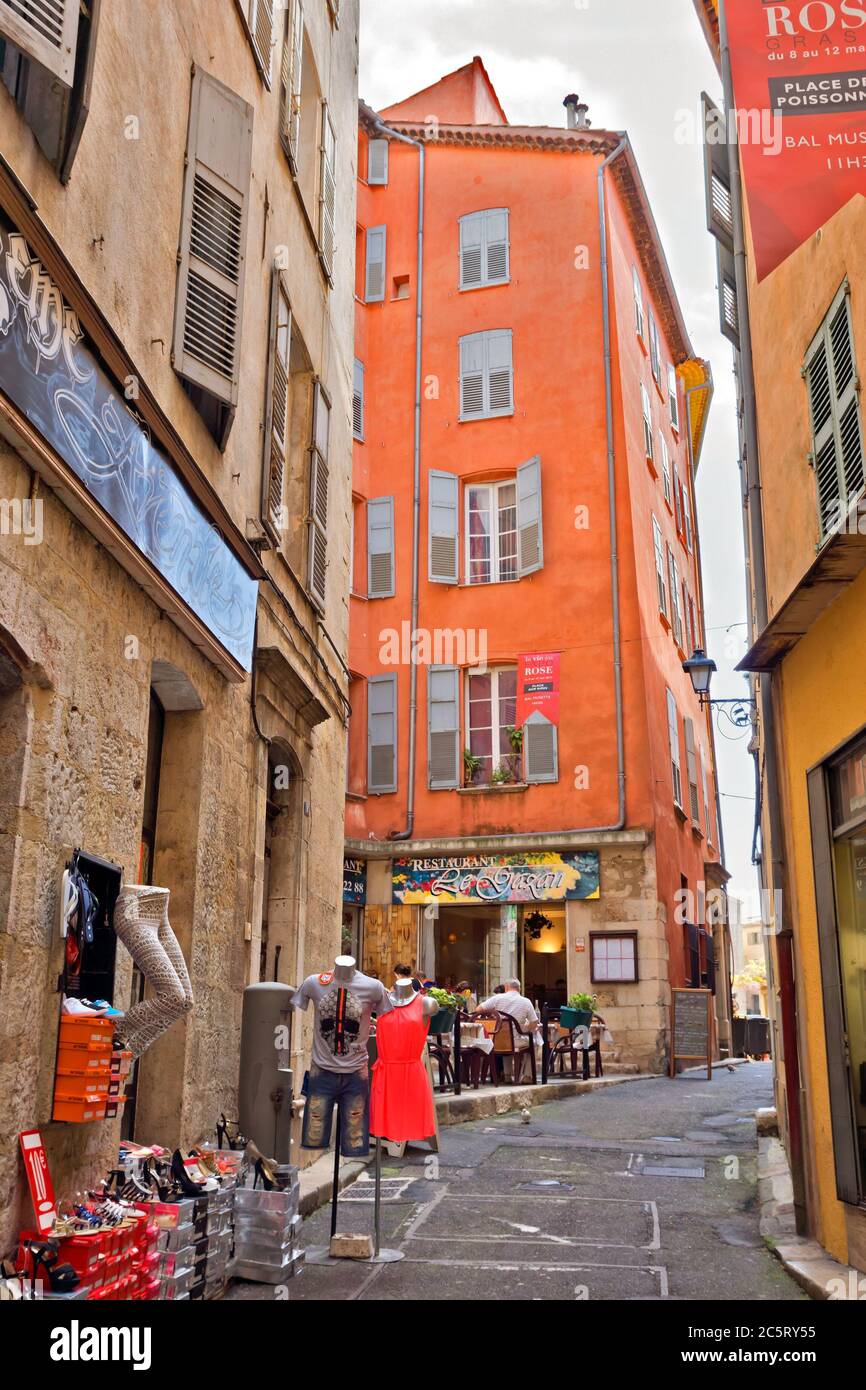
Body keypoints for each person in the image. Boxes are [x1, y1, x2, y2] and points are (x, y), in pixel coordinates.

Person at [476, 978, 539, 1049]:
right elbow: (534, 1022)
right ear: (519, 989)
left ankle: (509, 1059)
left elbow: (478, 1009)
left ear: (506, 987)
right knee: (535, 1042)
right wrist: (525, 1028)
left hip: (496, 1040)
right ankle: (523, 1060)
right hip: (516, 1041)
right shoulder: (526, 1001)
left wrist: (491, 1012)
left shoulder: (497, 998)